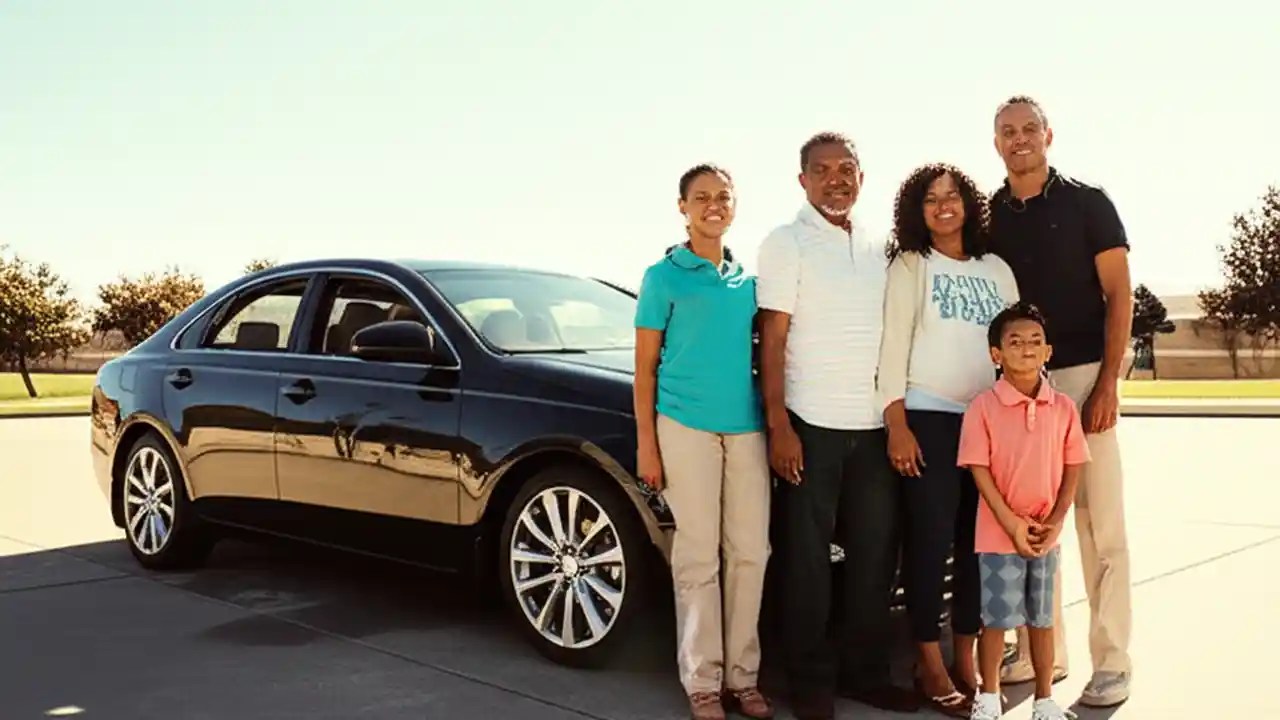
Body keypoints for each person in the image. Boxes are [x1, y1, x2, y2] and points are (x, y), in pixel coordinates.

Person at [756, 132, 919, 720]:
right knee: (806, 563)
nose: (835, 179)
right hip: (811, 422)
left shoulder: (882, 245)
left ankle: (866, 674)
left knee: (875, 557)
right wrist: (779, 424)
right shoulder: (785, 243)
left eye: (846, 168)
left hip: (874, 426)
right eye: (821, 170)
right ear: (802, 179)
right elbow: (772, 339)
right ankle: (808, 684)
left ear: (862, 176)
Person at [987, 95, 1134, 709]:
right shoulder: (989, 215)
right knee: (1031, 525)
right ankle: (1048, 652)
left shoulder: (1088, 203)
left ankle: (1113, 663)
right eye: (1007, 132)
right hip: (1022, 389)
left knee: (1100, 528)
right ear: (996, 143)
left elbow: (1119, 293)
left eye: (1029, 129)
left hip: (1081, 380)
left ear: (1048, 134)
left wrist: (1108, 384)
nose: (1019, 139)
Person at [875, 163, 1020, 717]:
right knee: (930, 546)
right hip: (929, 419)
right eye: (931, 198)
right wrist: (897, 424)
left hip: (988, 421)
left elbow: (1016, 343)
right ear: (918, 210)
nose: (943, 205)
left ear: (968, 204)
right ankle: (928, 664)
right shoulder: (912, 265)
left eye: (952, 195)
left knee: (976, 547)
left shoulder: (997, 270)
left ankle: (967, 659)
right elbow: (893, 346)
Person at [633, 163, 774, 720]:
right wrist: (648, 445)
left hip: (745, 428)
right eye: (701, 198)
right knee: (697, 555)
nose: (713, 205)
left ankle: (744, 676)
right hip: (683, 424)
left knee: (750, 552)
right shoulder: (661, 277)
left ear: (735, 205)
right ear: (682, 208)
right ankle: (702, 680)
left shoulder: (750, 282)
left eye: (723, 196)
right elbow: (644, 370)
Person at [957, 301, 1090, 720]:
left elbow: (1072, 468)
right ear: (996, 354)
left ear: (1048, 351)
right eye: (1015, 342)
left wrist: (1055, 522)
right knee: (997, 619)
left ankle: (1045, 699)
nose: (1026, 349)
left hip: (1045, 535)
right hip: (998, 533)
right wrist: (1012, 523)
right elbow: (979, 470)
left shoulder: (1064, 408)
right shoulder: (982, 407)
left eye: (1036, 341)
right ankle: (989, 697)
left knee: (1042, 618)